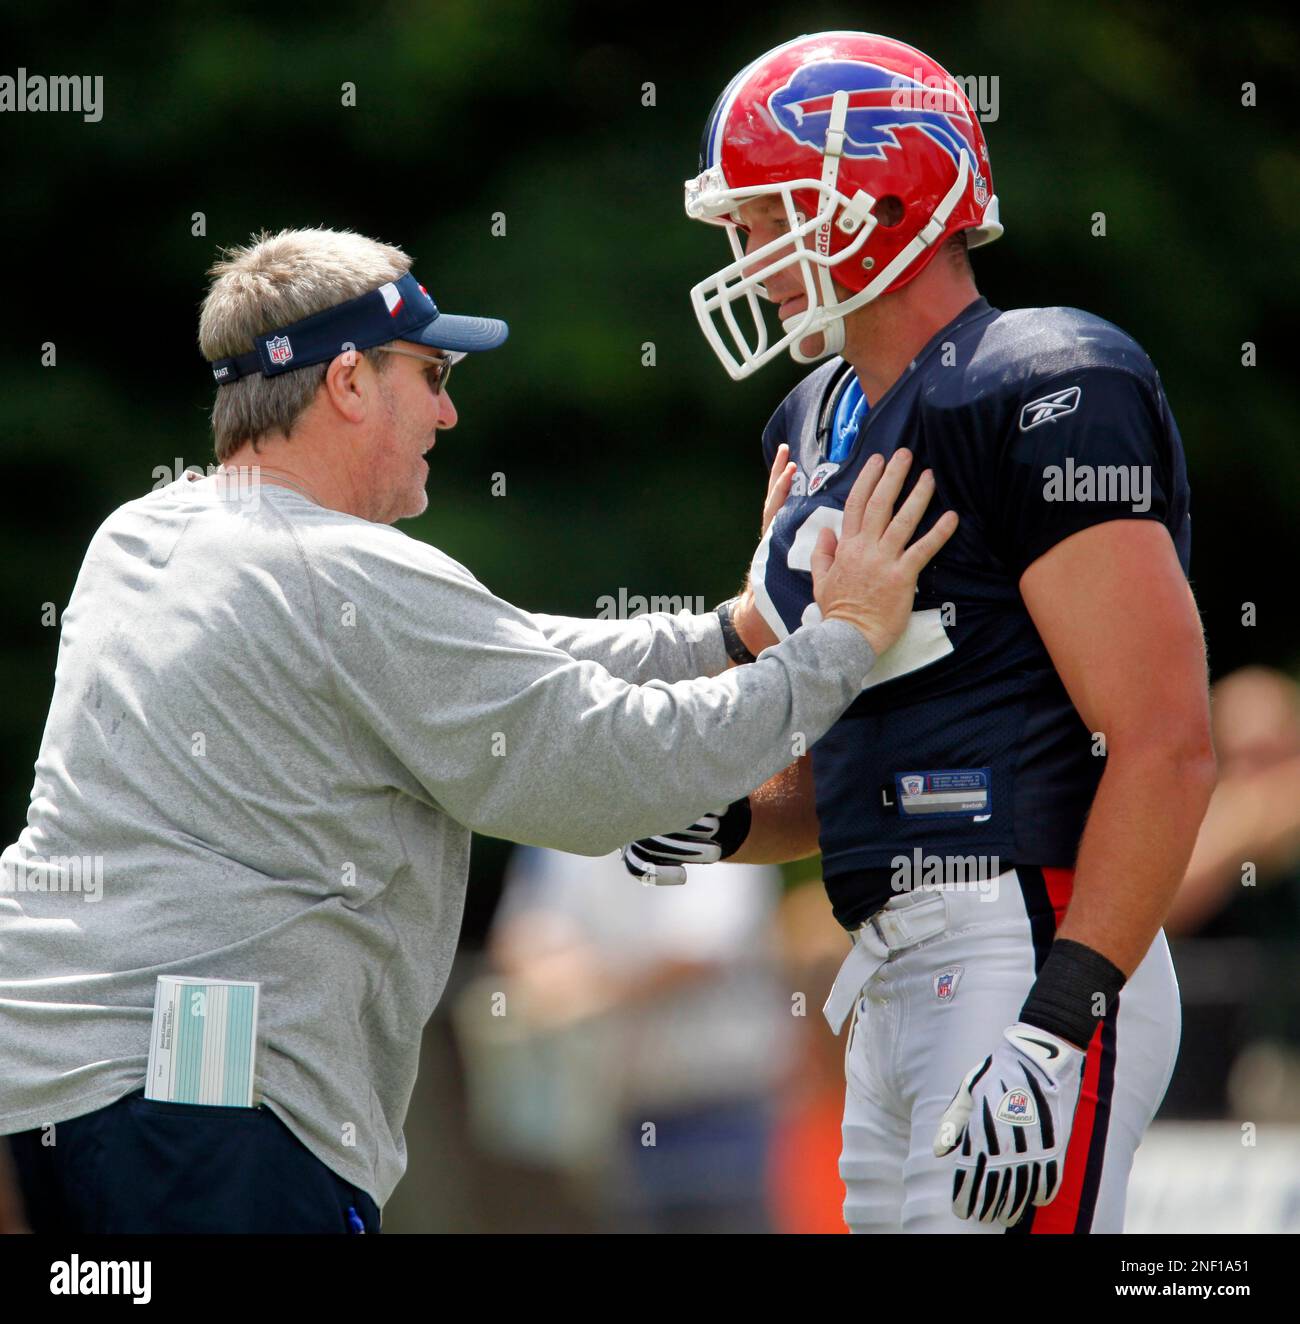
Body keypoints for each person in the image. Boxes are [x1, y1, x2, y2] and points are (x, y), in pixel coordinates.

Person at [0, 226, 954, 1233]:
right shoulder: (349, 575)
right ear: (347, 384)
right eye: (432, 371)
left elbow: (501, 650)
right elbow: (614, 765)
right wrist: (843, 636)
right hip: (214, 1108)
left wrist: (734, 631)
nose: (449, 411)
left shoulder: (142, 534)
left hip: (42, 1083)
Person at [625, 31, 1215, 1233]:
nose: (749, 253)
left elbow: (1163, 738)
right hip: (888, 965)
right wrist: (720, 815)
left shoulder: (1040, 378)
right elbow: (860, 768)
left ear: (877, 192)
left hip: (1031, 935)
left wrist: (1056, 1027)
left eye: (768, 212)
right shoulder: (820, 414)